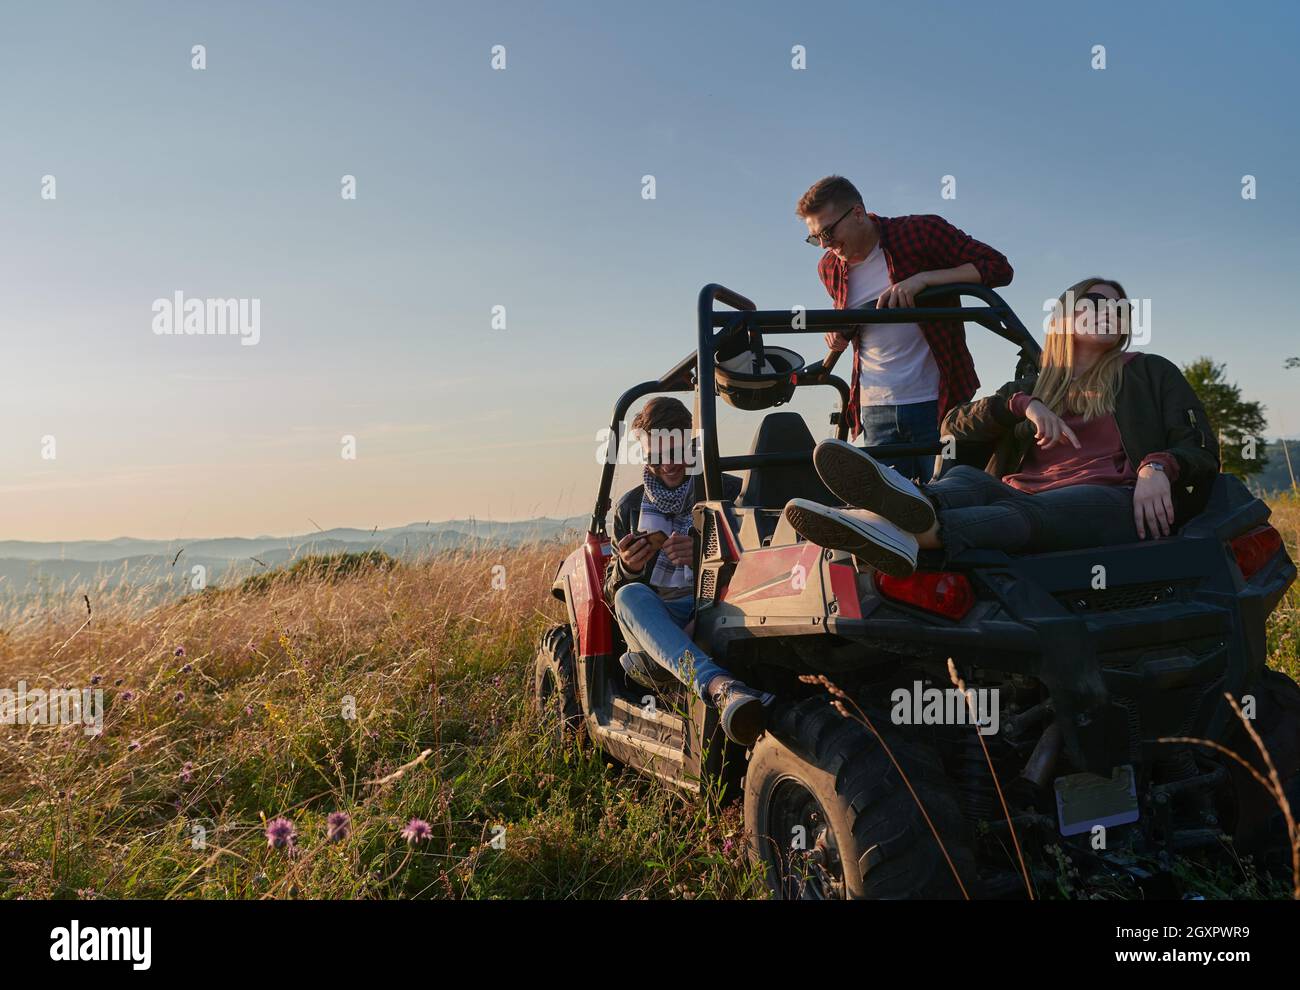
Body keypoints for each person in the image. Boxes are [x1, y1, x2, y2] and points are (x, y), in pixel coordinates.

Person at [781, 278, 1220, 571]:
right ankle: (884, 512)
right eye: (1098, 301)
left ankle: (897, 533)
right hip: (1019, 490)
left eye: (1120, 306)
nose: (1114, 309)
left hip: (1109, 500)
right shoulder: (1032, 383)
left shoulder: (1148, 372)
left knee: (1027, 510)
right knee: (970, 481)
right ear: (1064, 318)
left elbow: (1200, 447)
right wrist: (1020, 405)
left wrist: (1156, 466)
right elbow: (955, 425)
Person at [797, 175, 1015, 482]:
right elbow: (853, 319)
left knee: (945, 508)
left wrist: (924, 279)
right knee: (894, 517)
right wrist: (836, 335)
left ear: (857, 213)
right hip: (875, 408)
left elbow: (998, 267)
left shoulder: (920, 232)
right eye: (815, 238)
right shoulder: (829, 267)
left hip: (937, 402)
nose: (825, 245)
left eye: (828, 232)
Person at [605, 397, 773, 746]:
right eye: (656, 455)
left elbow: (758, 560)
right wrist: (628, 567)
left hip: (714, 604)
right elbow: (611, 592)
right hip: (658, 616)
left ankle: (721, 684)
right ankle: (719, 685)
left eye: (677, 450)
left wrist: (703, 557)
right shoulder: (630, 507)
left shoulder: (725, 491)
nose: (668, 464)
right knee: (628, 594)